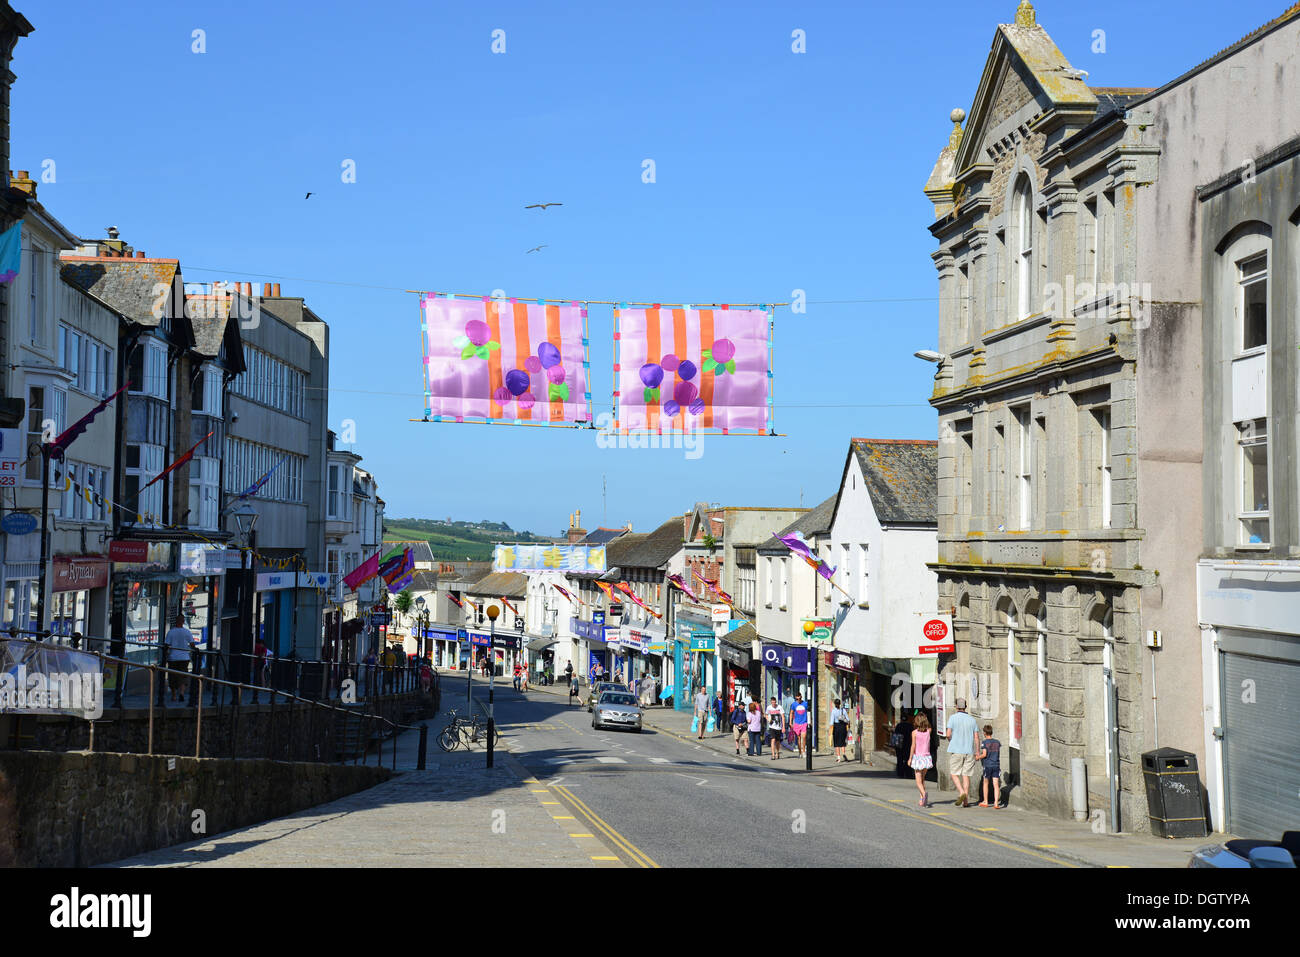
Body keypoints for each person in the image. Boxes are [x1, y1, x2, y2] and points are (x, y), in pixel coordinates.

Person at [942, 697, 982, 808]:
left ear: (956, 706)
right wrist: (977, 751)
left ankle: (962, 793)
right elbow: (976, 737)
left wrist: (951, 740)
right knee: (966, 775)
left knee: (954, 773)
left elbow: (948, 734)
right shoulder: (972, 719)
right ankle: (966, 802)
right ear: (965, 706)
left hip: (956, 750)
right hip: (969, 751)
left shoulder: (953, 718)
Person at [163, 614, 194, 704]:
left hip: (173, 658)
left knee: (172, 676)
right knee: (183, 676)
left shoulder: (171, 632)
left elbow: (166, 645)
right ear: (183, 622)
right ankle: (182, 693)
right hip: (184, 658)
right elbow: (192, 644)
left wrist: (165, 655)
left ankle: (174, 695)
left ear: (176, 621)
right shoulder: (187, 632)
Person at [908, 713, 934, 807]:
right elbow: (929, 726)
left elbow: (913, 746)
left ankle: (924, 794)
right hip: (927, 758)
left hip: (918, 758)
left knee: (918, 781)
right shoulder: (929, 731)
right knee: (923, 780)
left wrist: (910, 758)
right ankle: (922, 799)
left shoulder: (914, 733)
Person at [978, 724, 1003, 808]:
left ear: (985, 733)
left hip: (988, 765)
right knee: (996, 784)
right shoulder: (997, 742)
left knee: (986, 783)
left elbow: (984, 754)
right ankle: (996, 803)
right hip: (996, 764)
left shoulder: (985, 742)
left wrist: (978, 757)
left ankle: (986, 801)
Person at [892, 712, 915, 779]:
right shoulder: (910, 726)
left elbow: (895, 735)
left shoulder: (899, 725)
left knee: (900, 759)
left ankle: (900, 773)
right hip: (908, 745)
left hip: (899, 745)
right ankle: (908, 773)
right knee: (908, 759)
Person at [789, 691, 811, 758]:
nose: (798, 698)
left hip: (804, 722)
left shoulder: (805, 704)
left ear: (801, 697)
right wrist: (790, 722)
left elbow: (809, 712)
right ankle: (800, 752)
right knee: (798, 738)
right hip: (797, 723)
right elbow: (791, 713)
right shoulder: (794, 704)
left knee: (804, 737)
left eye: (799, 697)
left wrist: (810, 721)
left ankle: (804, 751)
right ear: (795, 698)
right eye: (797, 697)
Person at [830, 698, 850, 763]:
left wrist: (830, 731)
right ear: (840, 703)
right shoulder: (843, 710)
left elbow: (831, 722)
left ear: (835, 704)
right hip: (843, 727)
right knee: (842, 742)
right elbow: (848, 719)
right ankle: (844, 754)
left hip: (836, 727)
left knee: (836, 743)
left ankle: (838, 758)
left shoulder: (833, 711)